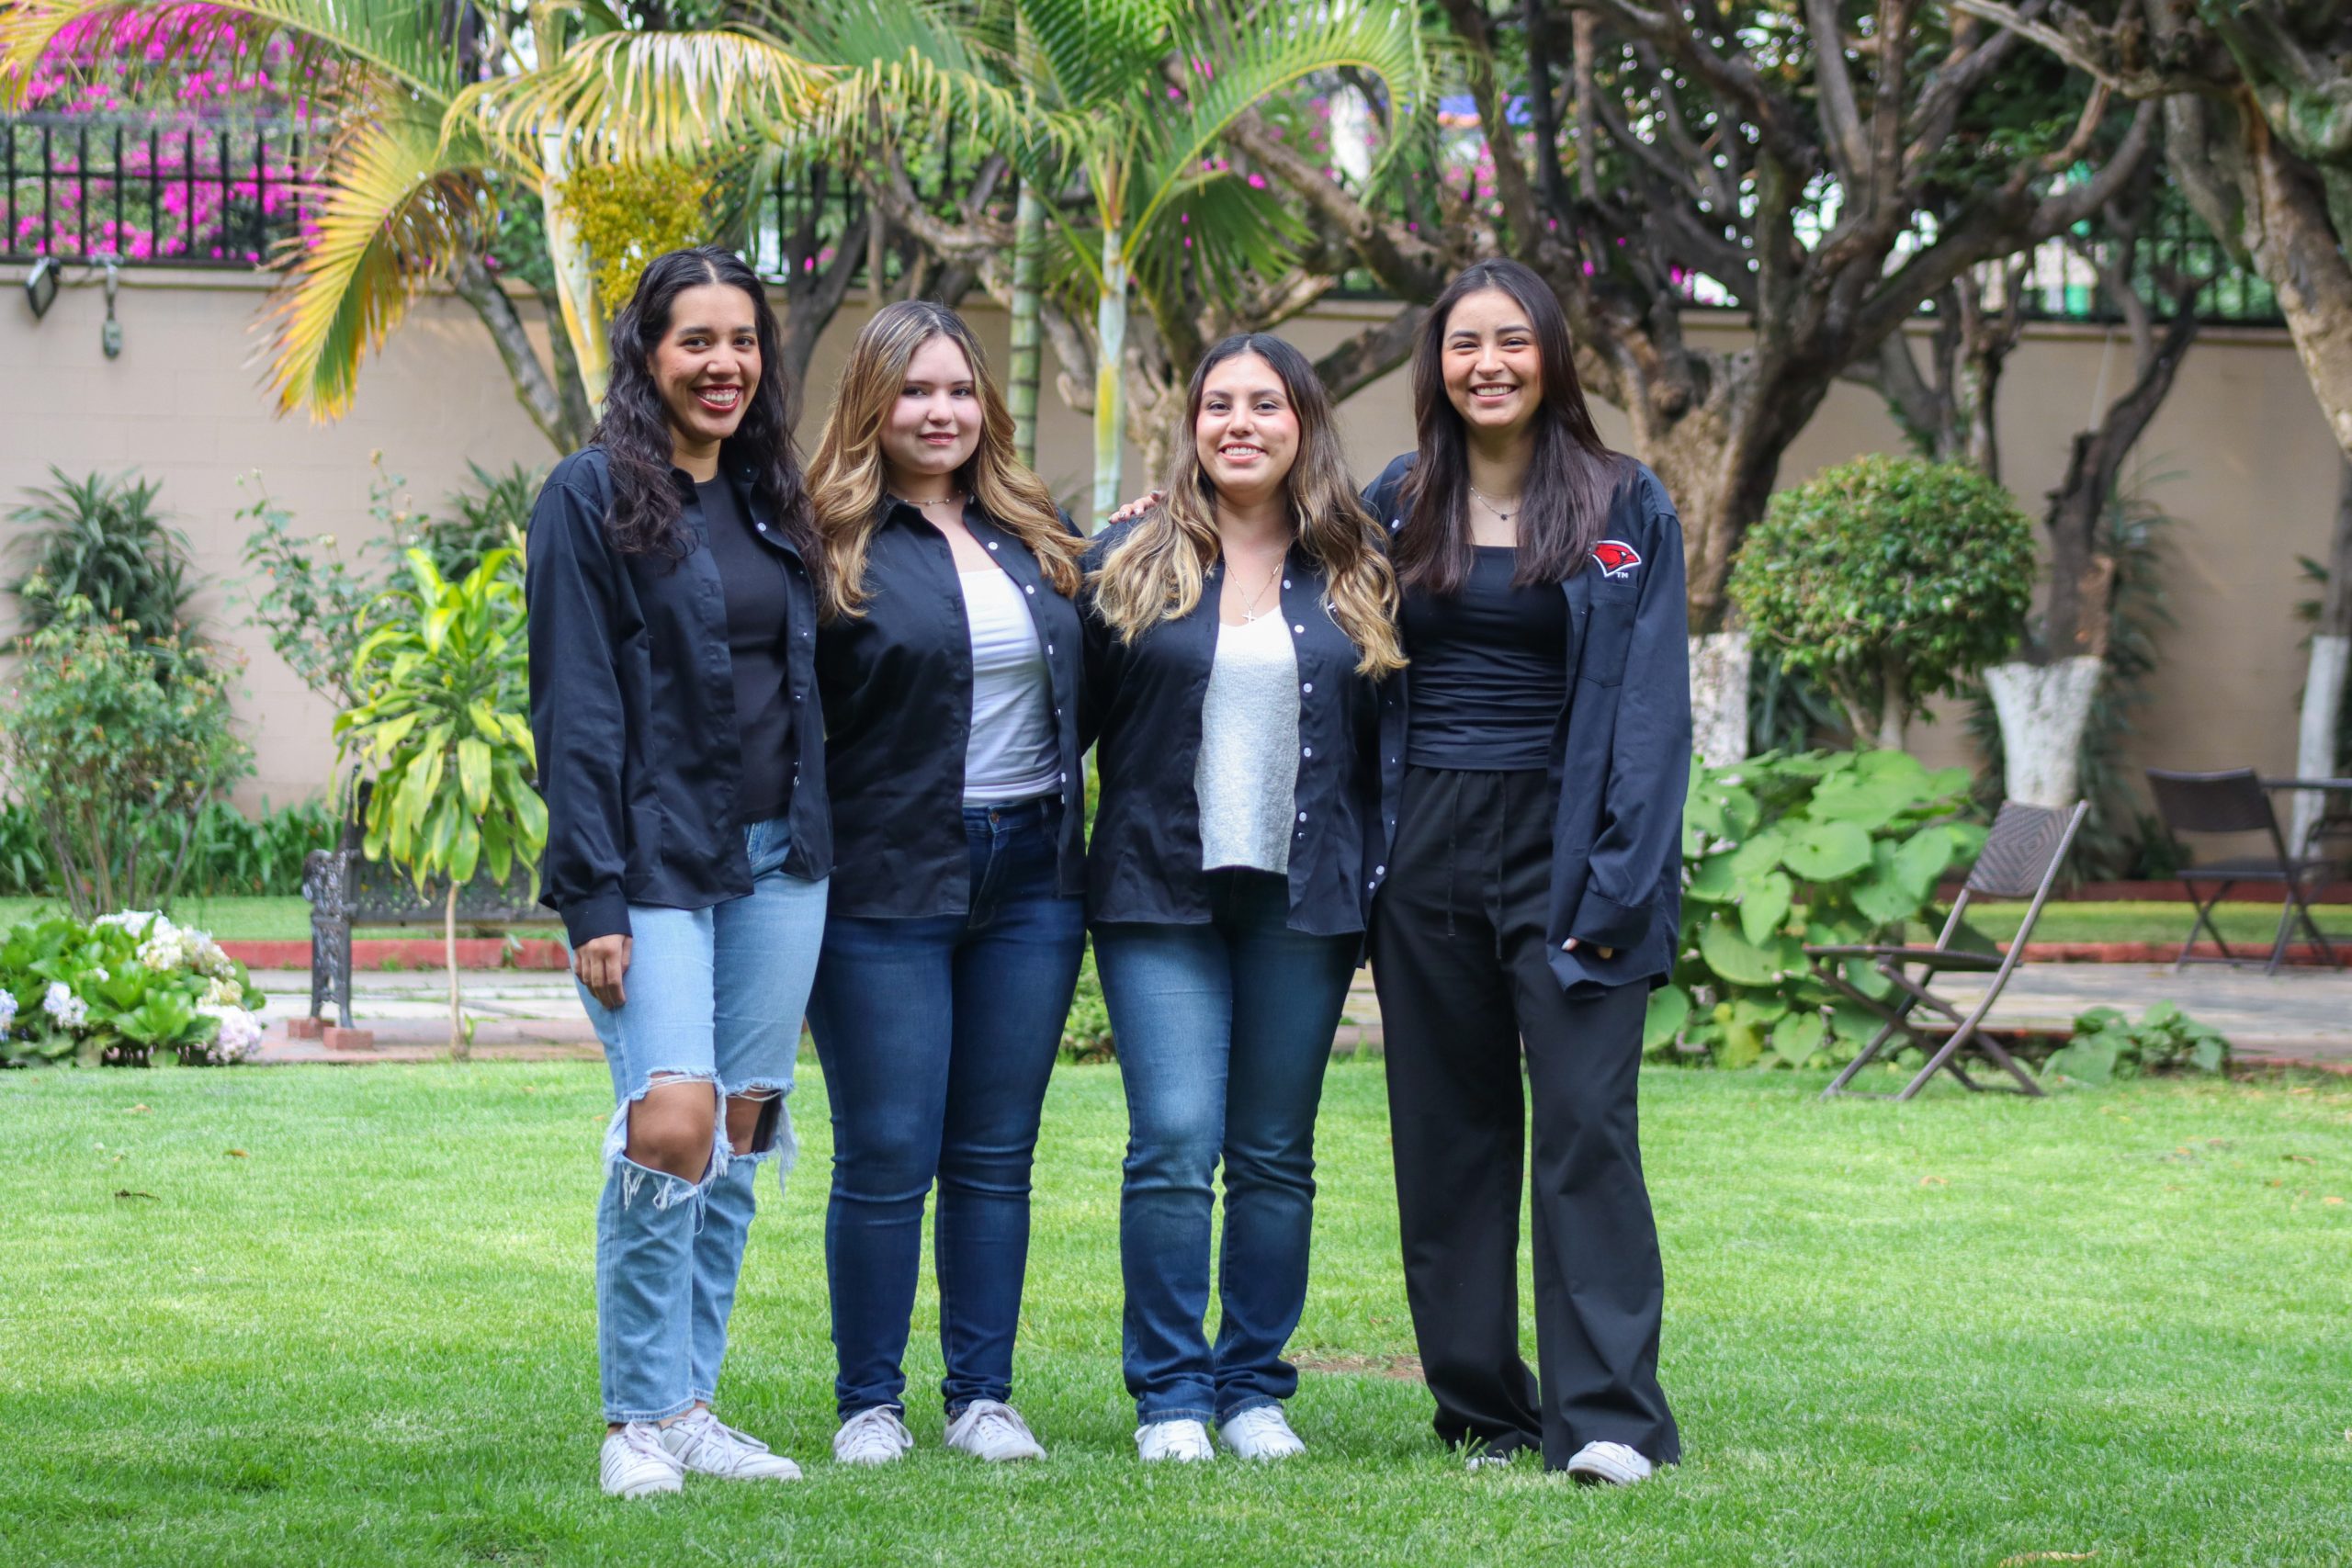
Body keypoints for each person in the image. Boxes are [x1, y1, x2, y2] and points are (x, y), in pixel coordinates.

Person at [1362, 257, 1690, 1483]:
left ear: (1549, 354)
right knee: (1446, 1136)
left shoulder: (1621, 502)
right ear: (1435, 366)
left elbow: (1653, 710)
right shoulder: (1396, 499)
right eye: (1462, 344)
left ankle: (1607, 1417)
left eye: (1511, 340)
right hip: (1426, 848)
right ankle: (1484, 1408)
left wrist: (1619, 883)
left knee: (1586, 1132)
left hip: (1572, 852)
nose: (1486, 362)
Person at [526, 246, 832, 1499]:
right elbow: (577, 703)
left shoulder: (772, 496)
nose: (723, 362)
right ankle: (637, 1416)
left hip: (781, 861)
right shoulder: (589, 495)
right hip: (651, 862)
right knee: (672, 1120)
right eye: (695, 339)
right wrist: (589, 892)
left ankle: (694, 1401)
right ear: (646, 353)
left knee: (744, 1125)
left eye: (743, 340)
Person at [1081, 333, 1403, 1463]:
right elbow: (1058, 712)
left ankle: (1252, 1387)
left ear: (1302, 424)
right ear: (1194, 428)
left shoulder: (1361, 565)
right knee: (1171, 1141)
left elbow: (1388, 743)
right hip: (1156, 891)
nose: (1239, 424)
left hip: (1299, 899)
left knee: (1273, 1151)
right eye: (1218, 405)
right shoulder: (1126, 559)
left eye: (1264, 405)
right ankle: (1170, 1395)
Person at [800, 300, 1090, 1466]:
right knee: (885, 1148)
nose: (941, 411)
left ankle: (982, 1397)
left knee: (993, 1151)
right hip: (884, 877)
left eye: (959, 391)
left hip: (1031, 877)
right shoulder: (823, 539)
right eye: (917, 390)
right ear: (873, 400)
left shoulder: (1039, 532)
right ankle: (869, 1401)